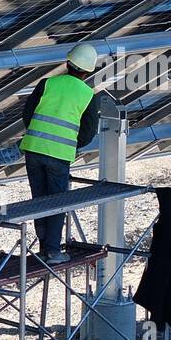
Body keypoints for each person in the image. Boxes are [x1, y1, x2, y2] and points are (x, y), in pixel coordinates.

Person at [19, 43, 103, 264]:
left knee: (39, 198)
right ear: (88, 71)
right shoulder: (88, 95)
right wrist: (70, 145)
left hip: (33, 149)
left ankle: (43, 246)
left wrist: (39, 135)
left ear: (67, 63)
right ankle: (53, 251)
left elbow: (28, 114)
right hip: (59, 155)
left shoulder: (47, 84)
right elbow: (88, 132)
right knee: (57, 202)